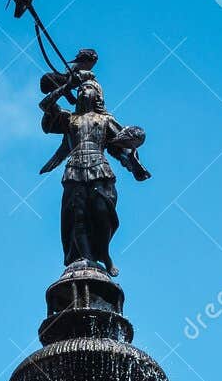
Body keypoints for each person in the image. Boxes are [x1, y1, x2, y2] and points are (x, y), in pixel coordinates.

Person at [39, 77, 150, 275]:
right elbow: (45, 105)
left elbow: (121, 145)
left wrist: (134, 163)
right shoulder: (69, 119)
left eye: (87, 88)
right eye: (80, 89)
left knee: (102, 211)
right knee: (77, 215)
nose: (83, 92)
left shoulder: (105, 120)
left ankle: (104, 254)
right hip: (74, 170)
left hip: (100, 168)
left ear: (97, 95)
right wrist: (67, 86)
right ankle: (86, 257)